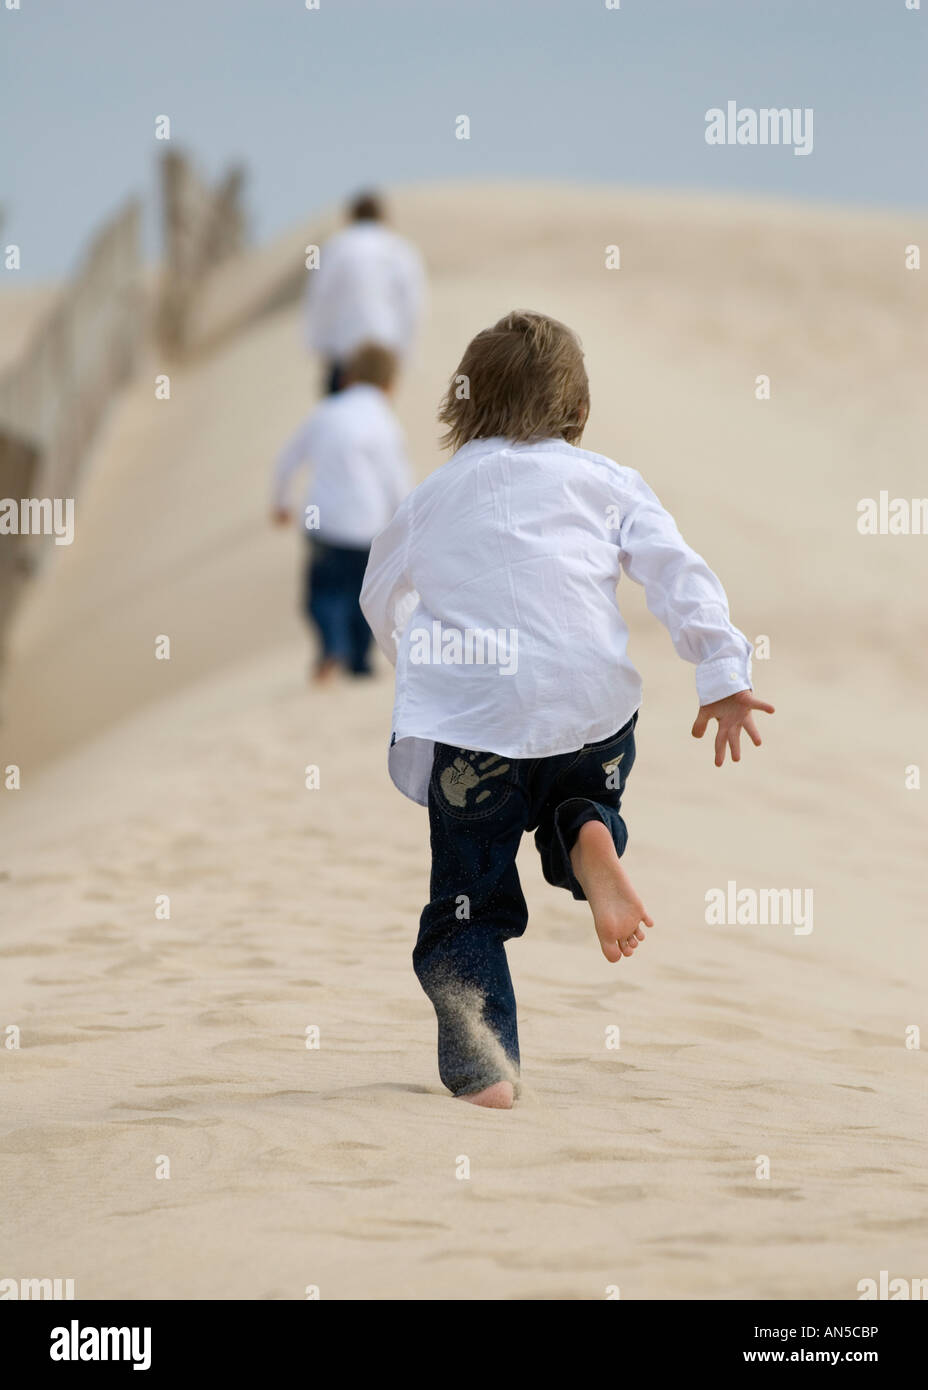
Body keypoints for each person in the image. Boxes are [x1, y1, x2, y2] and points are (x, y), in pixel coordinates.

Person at [360, 310, 774, 1109]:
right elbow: (676, 572)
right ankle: (585, 829)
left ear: (461, 407)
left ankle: (485, 1070)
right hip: (590, 714)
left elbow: (381, 597)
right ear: (575, 412)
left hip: (473, 728)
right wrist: (721, 666)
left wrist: (425, 666)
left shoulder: (431, 499)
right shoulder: (608, 481)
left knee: (468, 905)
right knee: (577, 786)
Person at [272, 341, 412, 680]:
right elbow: (396, 480)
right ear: (390, 385)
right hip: (368, 527)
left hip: (324, 523)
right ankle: (360, 665)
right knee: (363, 597)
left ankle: (331, 648)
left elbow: (287, 459)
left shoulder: (325, 413)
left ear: (348, 377)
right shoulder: (384, 423)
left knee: (323, 593)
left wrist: (281, 501)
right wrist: (406, 522)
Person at [304, 191, 425, 395]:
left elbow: (320, 296)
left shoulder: (337, 247)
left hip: (345, 352)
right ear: (382, 216)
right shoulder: (400, 249)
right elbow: (413, 302)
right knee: (376, 413)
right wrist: (405, 351)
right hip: (384, 349)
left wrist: (317, 343)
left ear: (351, 216)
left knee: (339, 412)